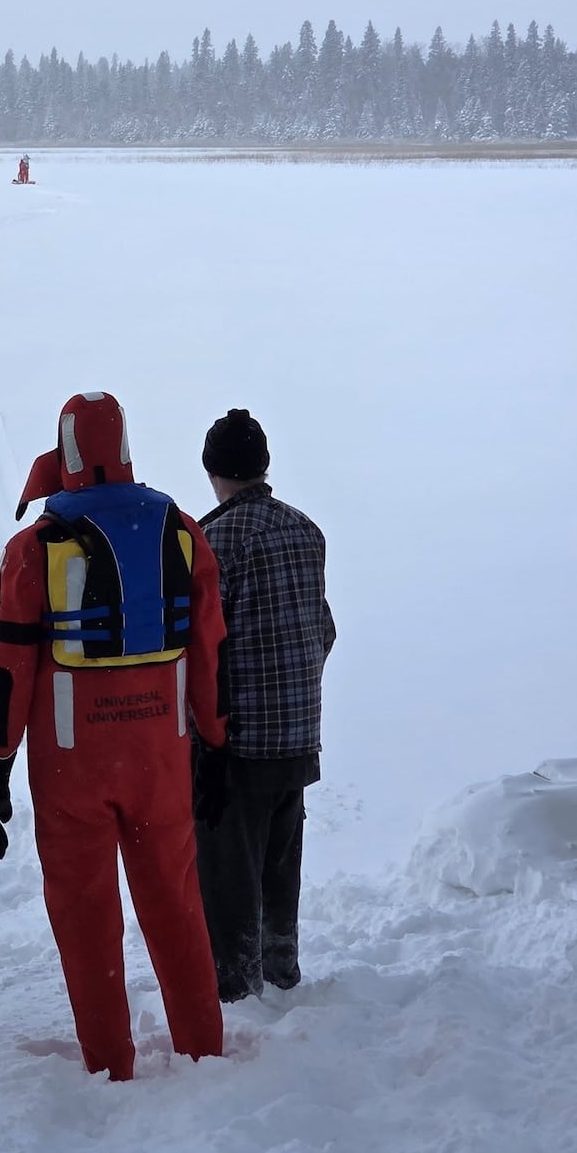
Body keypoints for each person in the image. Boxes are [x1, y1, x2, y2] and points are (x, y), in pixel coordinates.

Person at [0, 392, 230, 1080]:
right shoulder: (183, 531)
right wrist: (219, 740)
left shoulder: (33, 548)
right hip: (161, 759)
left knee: (86, 920)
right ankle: (203, 1048)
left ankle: (112, 1065)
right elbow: (210, 648)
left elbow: (11, 664)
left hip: (72, 767)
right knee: (177, 904)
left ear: (67, 449)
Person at [194, 409, 336, 1003]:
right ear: (265, 465)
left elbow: (200, 644)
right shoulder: (306, 530)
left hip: (238, 743)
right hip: (298, 734)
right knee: (281, 867)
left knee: (228, 875)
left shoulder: (209, 539)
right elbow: (323, 629)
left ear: (211, 470)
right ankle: (282, 976)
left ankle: (235, 994)